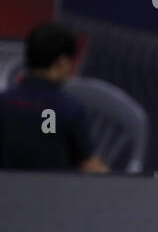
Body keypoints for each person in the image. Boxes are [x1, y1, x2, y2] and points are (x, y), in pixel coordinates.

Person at [0, 23, 109, 173]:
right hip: (52, 194)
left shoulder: (3, 103)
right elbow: (91, 167)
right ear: (61, 62)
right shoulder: (69, 110)